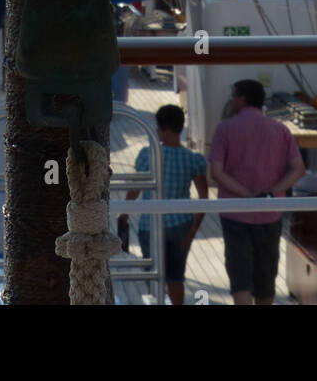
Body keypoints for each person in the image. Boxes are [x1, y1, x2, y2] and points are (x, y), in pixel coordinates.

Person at [209, 79, 306, 307]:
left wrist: (245, 193)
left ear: (242, 99)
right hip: (270, 211)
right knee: (266, 273)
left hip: (235, 212)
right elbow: (298, 168)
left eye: (234, 96)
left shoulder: (225, 129)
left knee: (239, 273)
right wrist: (275, 190)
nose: (232, 100)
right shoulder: (280, 130)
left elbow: (216, 172)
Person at [121, 104, 208, 306]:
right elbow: (204, 197)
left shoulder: (147, 154)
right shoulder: (193, 159)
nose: (157, 131)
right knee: (176, 276)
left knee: (153, 275)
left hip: (150, 225)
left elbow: (135, 188)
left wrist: (124, 213)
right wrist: (194, 229)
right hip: (181, 225)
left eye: (158, 127)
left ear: (166, 128)